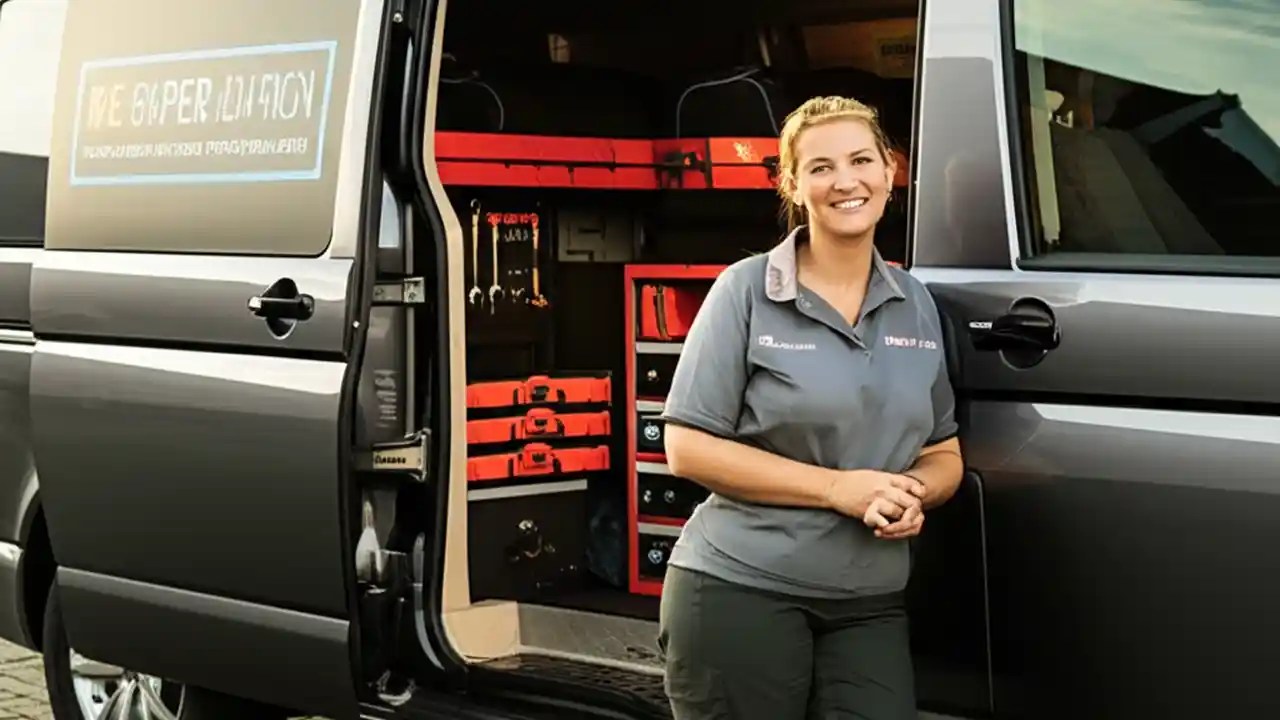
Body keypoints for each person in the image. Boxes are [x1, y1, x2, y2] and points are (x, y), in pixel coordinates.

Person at [657, 95, 965, 720]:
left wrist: (908, 493)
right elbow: (687, 448)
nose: (845, 181)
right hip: (741, 586)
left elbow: (943, 452)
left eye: (860, 160)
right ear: (793, 184)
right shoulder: (745, 290)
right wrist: (839, 490)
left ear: (890, 171)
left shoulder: (916, 302)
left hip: (870, 601)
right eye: (820, 167)